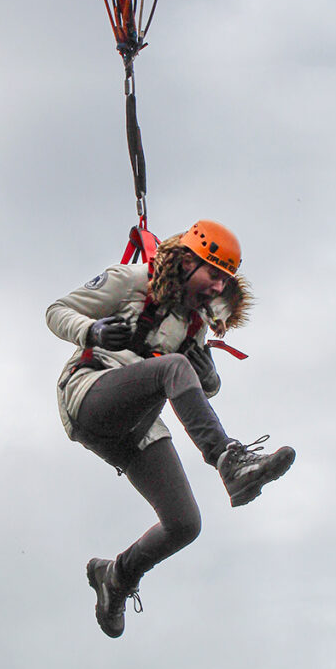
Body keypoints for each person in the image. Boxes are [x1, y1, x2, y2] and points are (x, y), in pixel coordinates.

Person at [45, 220, 295, 638]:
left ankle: (117, 577)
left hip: (135, 429)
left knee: (184, 524)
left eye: (224, 281)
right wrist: (92, 330)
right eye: (212, 274)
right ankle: (229, 462)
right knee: (173, 367)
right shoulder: (131, 281)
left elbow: (196, 389)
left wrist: (209, 375)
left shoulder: (194, 325)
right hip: (90, 395)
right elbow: (56, 311)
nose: (217, 288)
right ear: (185, 261)